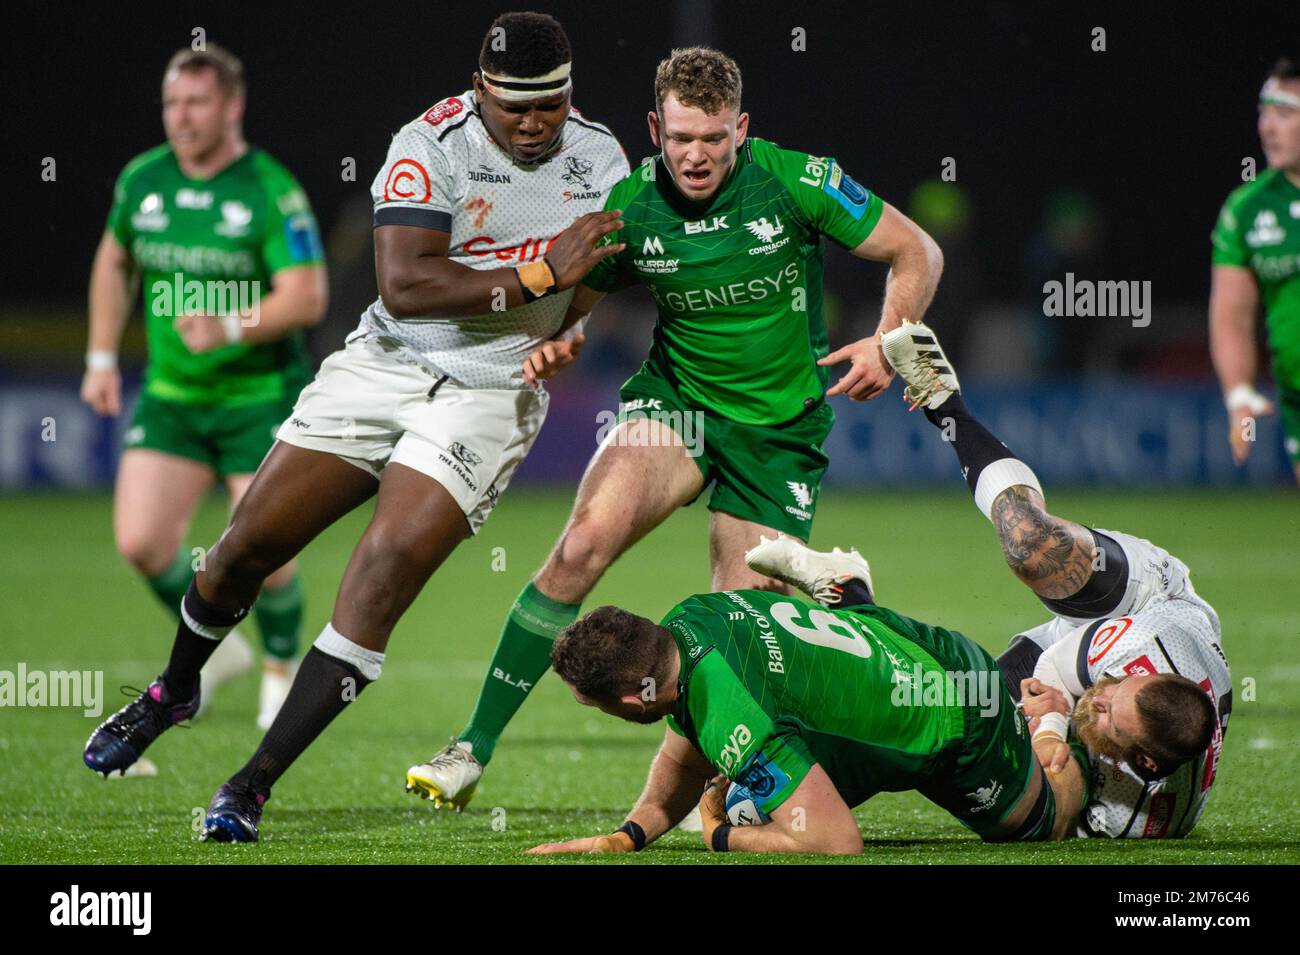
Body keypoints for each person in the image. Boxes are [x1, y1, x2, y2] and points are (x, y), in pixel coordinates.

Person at [83, 11, 629, 843]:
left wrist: (571, 325)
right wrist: (535, 277)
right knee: (241, 550)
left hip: (487, 393)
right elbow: (407, 285)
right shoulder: (428, 144)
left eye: (546, 105)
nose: (530, 122)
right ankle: (173, 690)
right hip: (387, 363)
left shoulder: (601, 159)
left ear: (568, 93)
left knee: (382, 570)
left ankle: (250, 785)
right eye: (512, 105)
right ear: (479, 90)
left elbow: (597, 269)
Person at [405, 45, 944, 811]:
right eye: (682, 138)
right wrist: (566, 333)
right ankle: (471, 748)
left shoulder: (798, 181)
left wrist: (893, 337)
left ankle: (709, 799)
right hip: (677, 408)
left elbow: (915, 249)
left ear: (741, 129)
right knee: (584, 540)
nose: (696, 156)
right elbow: (578, 293)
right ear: (656, 127)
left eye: (714, 139)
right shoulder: (632, 206)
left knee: (731, 634)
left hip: (777, 434)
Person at [878, 319, 1228, 837]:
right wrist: (1049, 728)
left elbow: (1048, 819)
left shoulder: (1128, 819)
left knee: (943, 724)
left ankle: (850, 592)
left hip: (1111, 681)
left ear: (1145, 766)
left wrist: (1045, 738)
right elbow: (1060, 670)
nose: (1101, 697)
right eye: (1118, 689)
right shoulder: (1143, 645)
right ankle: (944, 401)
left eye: (1109, 717)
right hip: (1153, 599)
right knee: (1030, 544)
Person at [82, 43, 328, 728]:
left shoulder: (271, 190)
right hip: (173, 398)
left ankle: (280, 664)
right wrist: (102, 356)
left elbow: (306, 296)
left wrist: (227, 326)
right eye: (171, 103)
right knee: (142, 541)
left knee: (264, 558)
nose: (181, 117)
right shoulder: (142, 180)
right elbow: (114, 260)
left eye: (196, 102)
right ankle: (217, 656)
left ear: (231, 106)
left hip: (260, 398)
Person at [1210, 56, 1300, 482]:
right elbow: (1232, 316)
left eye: (1284, 113)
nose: (1268, 127)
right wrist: (1240, 394)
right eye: (1264, 112)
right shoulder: (1246, 209)